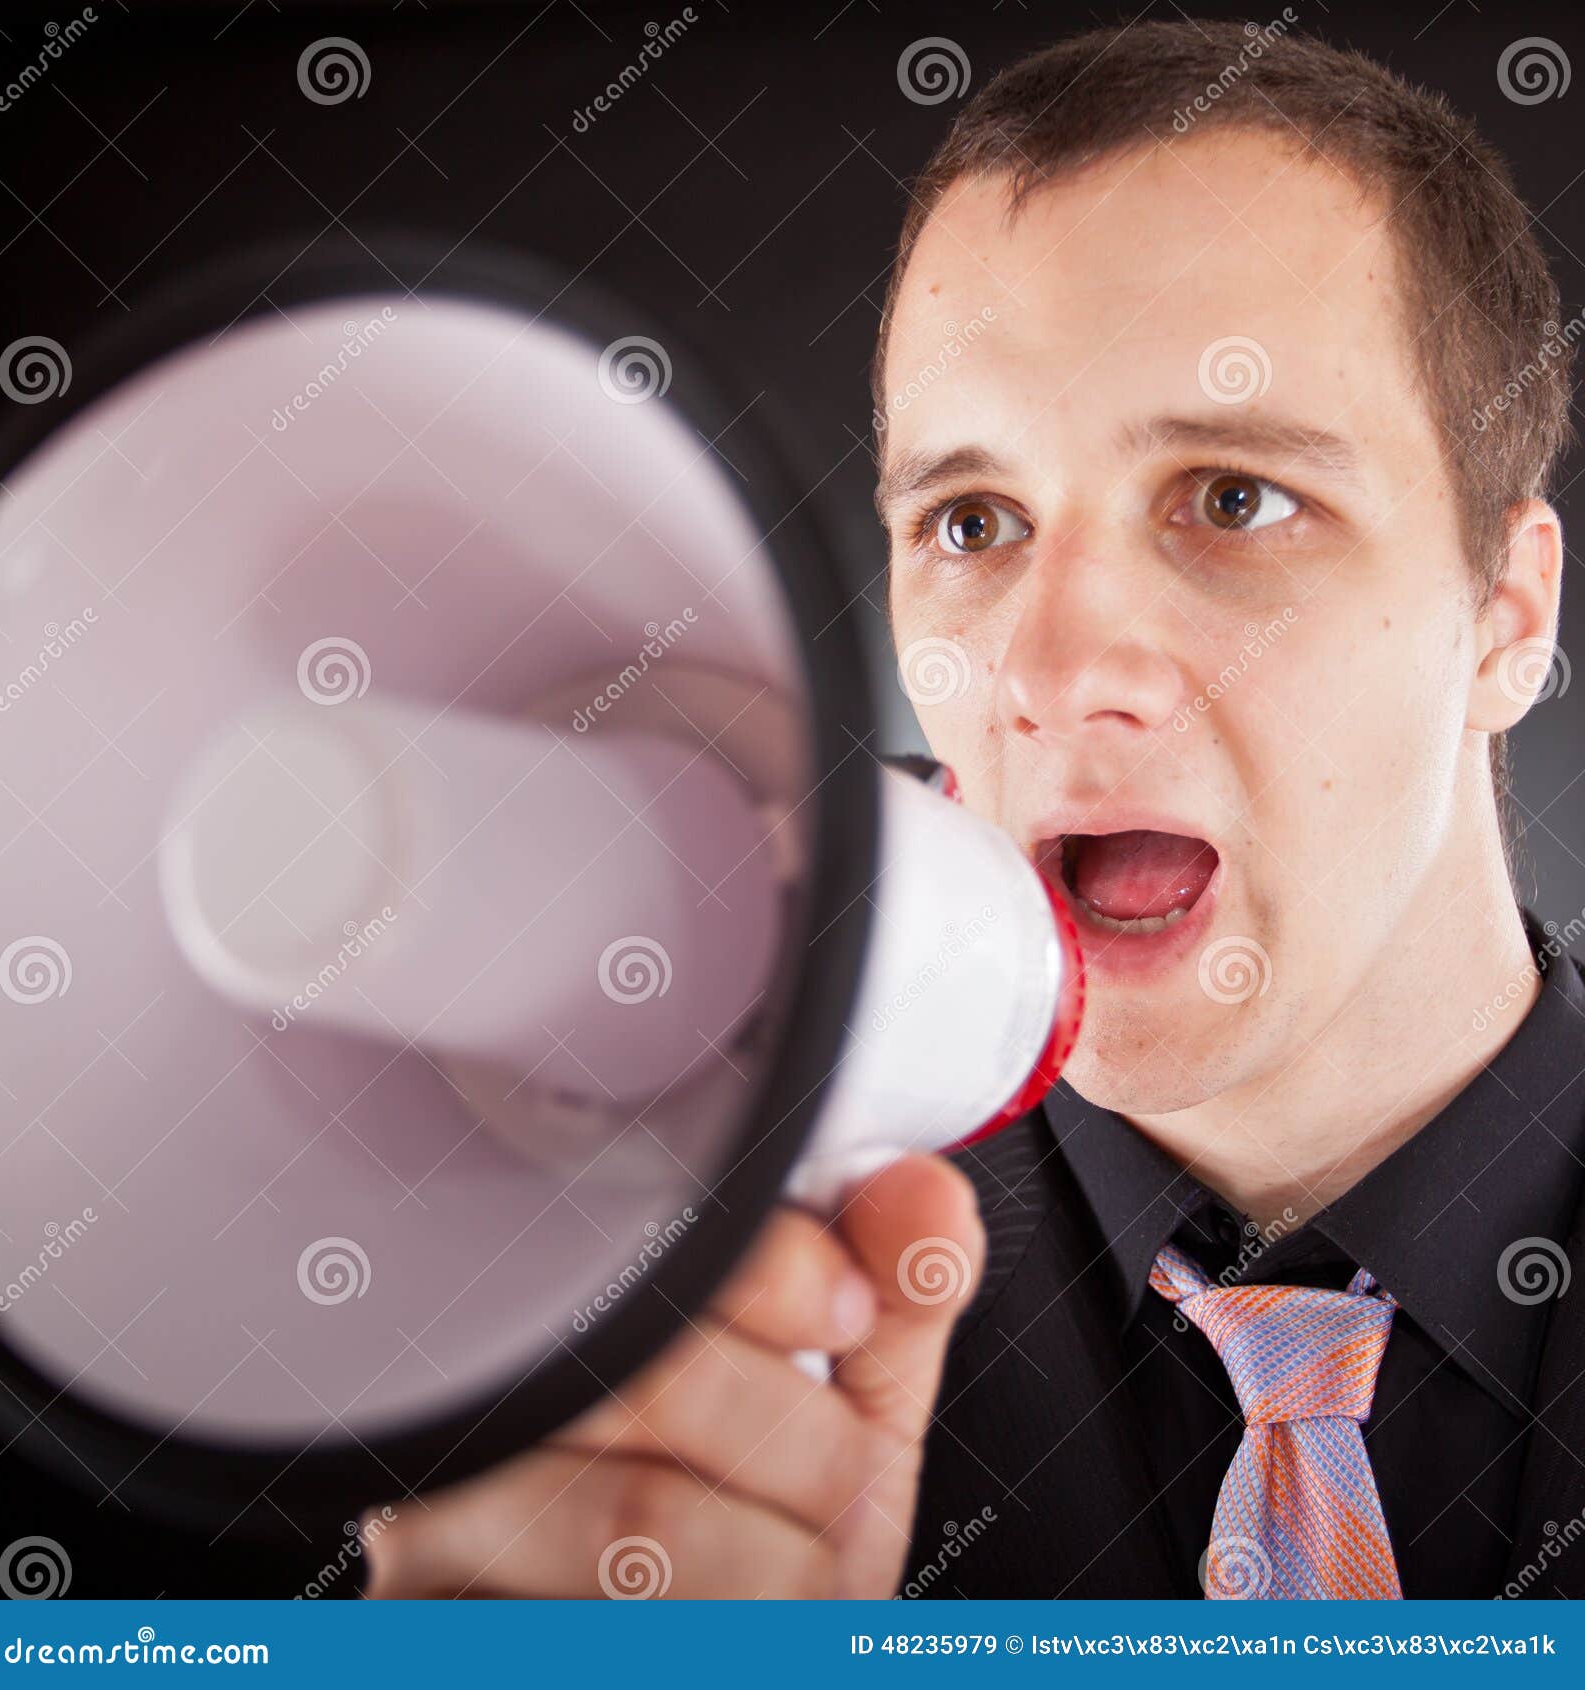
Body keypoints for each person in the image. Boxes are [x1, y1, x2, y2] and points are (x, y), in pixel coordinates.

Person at [185, 18, 1585, 1598]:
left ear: (1507, 616)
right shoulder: (672, 1348)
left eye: (1235, 498)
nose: (1046, 670)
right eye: (974, 519)